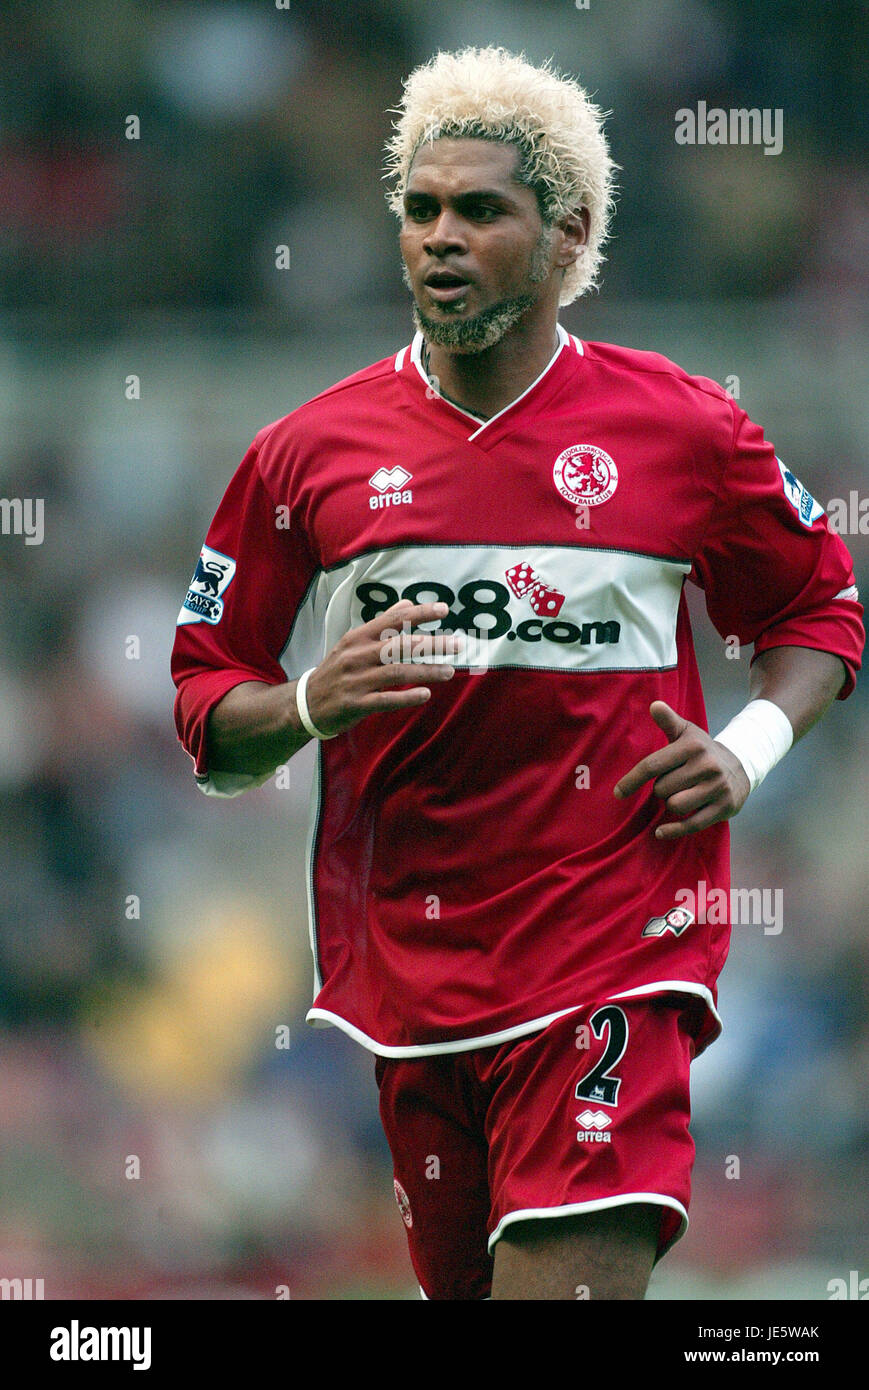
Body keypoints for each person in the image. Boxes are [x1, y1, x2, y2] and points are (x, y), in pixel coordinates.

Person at [170, 46, 864, 1300]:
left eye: (481, 210)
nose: (441, 237)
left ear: (566, 236)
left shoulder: (685, 430)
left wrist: (745, 750)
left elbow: (819, 608)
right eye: (421, 210)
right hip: (412, 980)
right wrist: (311, 701)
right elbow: (207, 711)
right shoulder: (302, 457)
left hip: (615, 948)